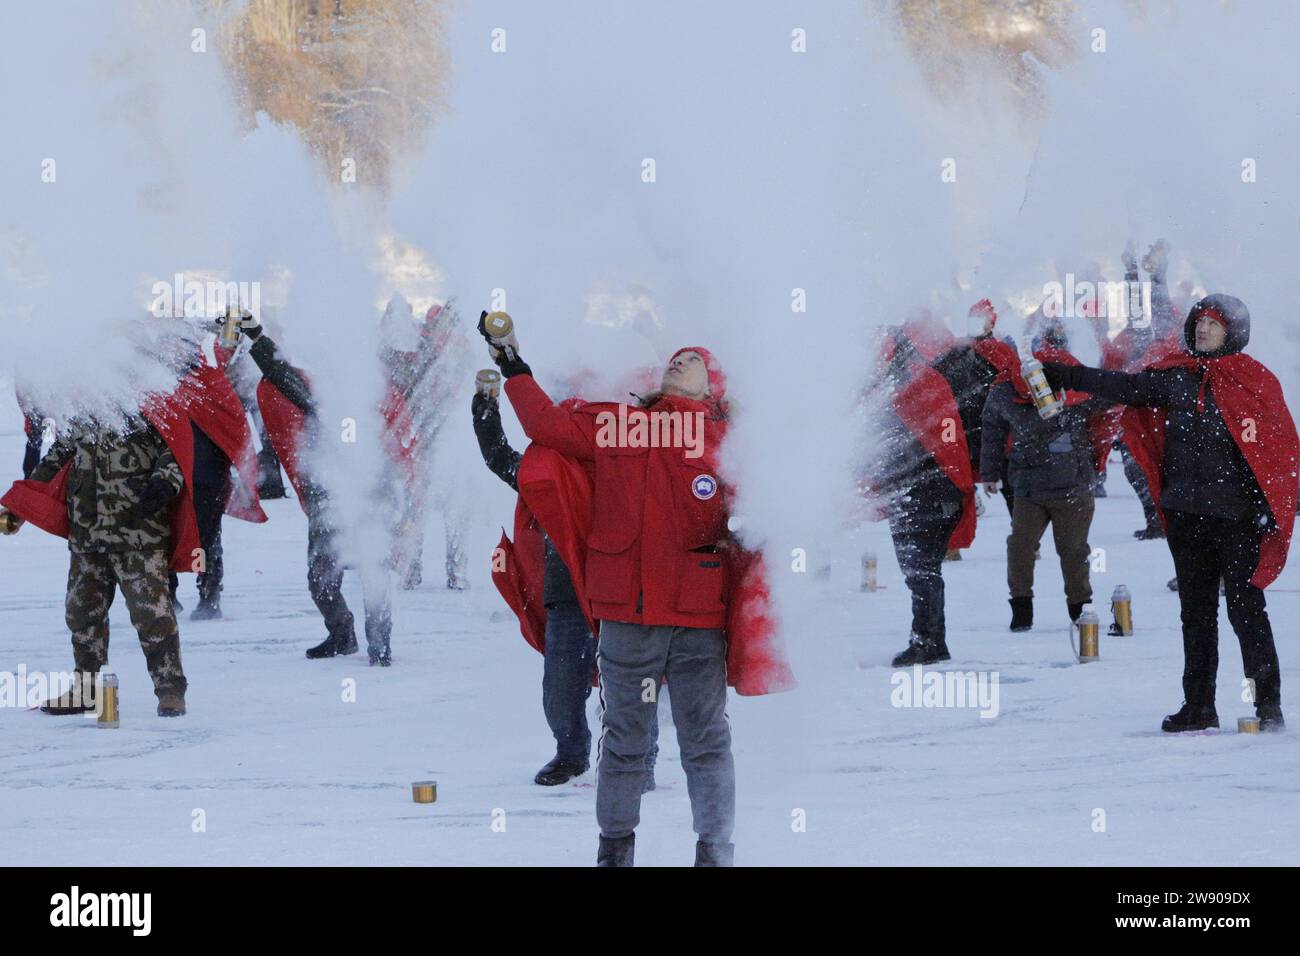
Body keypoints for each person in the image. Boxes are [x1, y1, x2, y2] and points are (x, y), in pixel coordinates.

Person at [487, 313, 792, 867]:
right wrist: (512, 363)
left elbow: (770, 503)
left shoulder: (730, 440)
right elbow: (548, 427)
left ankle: (715, 851)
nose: (680, 359)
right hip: (627, 613)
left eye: (694, 358)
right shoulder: (621, 423)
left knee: (705, 741)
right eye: (676, 355)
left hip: (698, 616)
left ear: (713, 385)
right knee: (625, 738)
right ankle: (614, 851)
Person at [1043, 294, 1298, 732]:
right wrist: (1067, 374)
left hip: (1236, 520)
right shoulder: (1176, 377)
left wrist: (1265, 512)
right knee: (1195, 615)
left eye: (1214, 324)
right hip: (1187, 517)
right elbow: (1124, 386)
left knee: (1246, 612)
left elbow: (1278, 453)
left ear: (1233, 332)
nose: (1203, 329)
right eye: (1199, 322)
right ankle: (1198, 707)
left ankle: (1267, 705)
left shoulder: (1254, 382)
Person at [473, 382, 658, 787]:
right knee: (561, 684)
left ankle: (640, 758)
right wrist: (485, 408)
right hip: (567, 596)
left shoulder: (628, 462)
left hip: (626, 593)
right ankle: (570, 753)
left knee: (630, 684)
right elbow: (499, 456)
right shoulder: (548, 472)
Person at [2, 403, 199, 717]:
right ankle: (86, 690)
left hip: (138, 529)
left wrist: (164, 483)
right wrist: (21, 502)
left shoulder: (149, 398)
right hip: (87, 530)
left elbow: (174, 448)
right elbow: (58, 455)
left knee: (151, 614)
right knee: (81, 613)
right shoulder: (84, 402)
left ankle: (170, 690)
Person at [244, 319, 395, 665]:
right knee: (321, 577)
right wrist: (256, 336)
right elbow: (281, 375)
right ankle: (342, 634)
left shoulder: (364, 401)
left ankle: (380, 644)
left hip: (364, 495)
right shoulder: (320, 397)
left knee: (373, 568)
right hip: (327, 497)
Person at [980, 321, 1110, 631]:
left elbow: (1111, 401)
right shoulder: (1005, 391)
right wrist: (989, 472)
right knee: (1021, 547)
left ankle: (1080, 610)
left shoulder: (1077, 385)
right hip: (1028, 486)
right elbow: (992, 428)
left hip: (1073, 485)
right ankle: (1021, 608)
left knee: (1074, 551)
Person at [867, 326, 976, 666]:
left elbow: (898, 448)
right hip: (933, 490)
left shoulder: (901, 390)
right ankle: (931, 639)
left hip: (920, 493)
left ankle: (927, 641)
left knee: (919, 570)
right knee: (924, 570)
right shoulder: (925, 380)